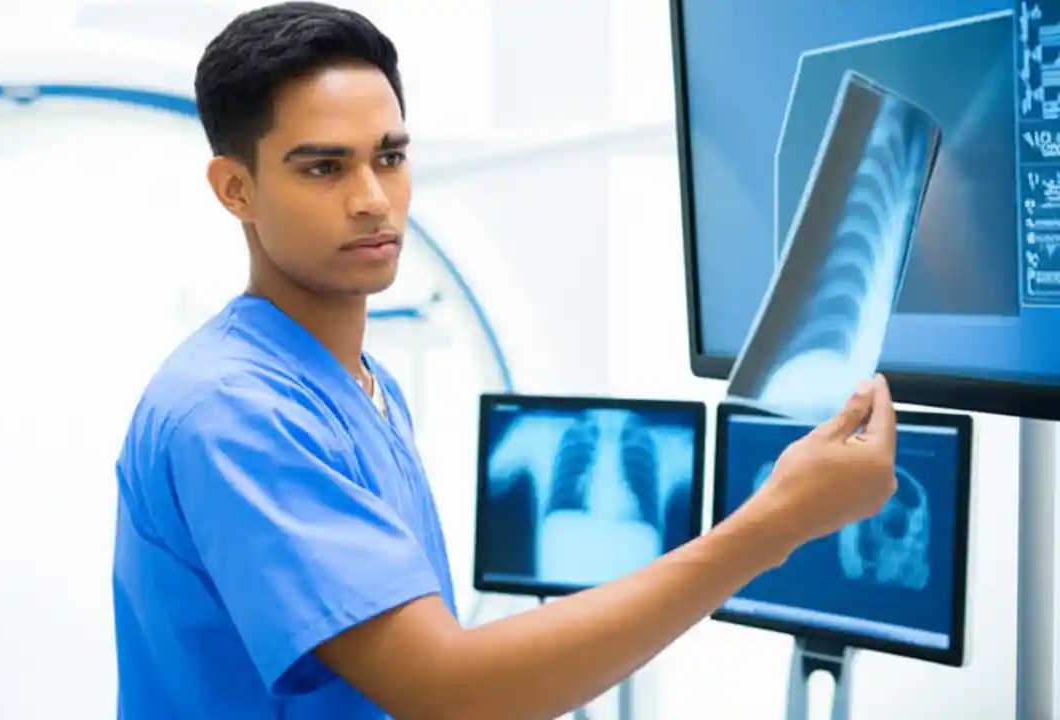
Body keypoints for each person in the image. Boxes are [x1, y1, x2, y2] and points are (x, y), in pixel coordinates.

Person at [110, 3, 900, 718]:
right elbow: (450, 691)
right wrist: (776, 523)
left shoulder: (361, 386)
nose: (373, 199)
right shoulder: (235, 410)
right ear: (235, 189)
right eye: (324, 167)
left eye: (389, 157)